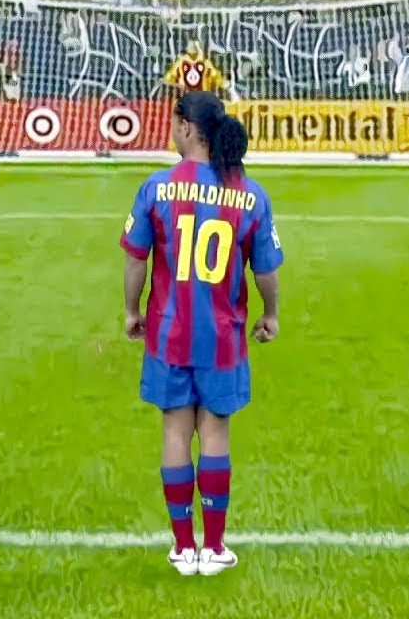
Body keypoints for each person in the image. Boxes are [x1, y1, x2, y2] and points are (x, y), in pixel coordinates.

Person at [118, 91, 283, 577]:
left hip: (169, 333)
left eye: (174, 123)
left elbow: (136, 259)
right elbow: (266, 270)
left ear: (188, 129)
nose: (171, 131)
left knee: (175, 432)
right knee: (214, 433)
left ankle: (183, 547)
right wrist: (271, 314)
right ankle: (213, 548)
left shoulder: (157, 187)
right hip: (223, 337)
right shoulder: (250, 194)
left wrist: (131, 310)